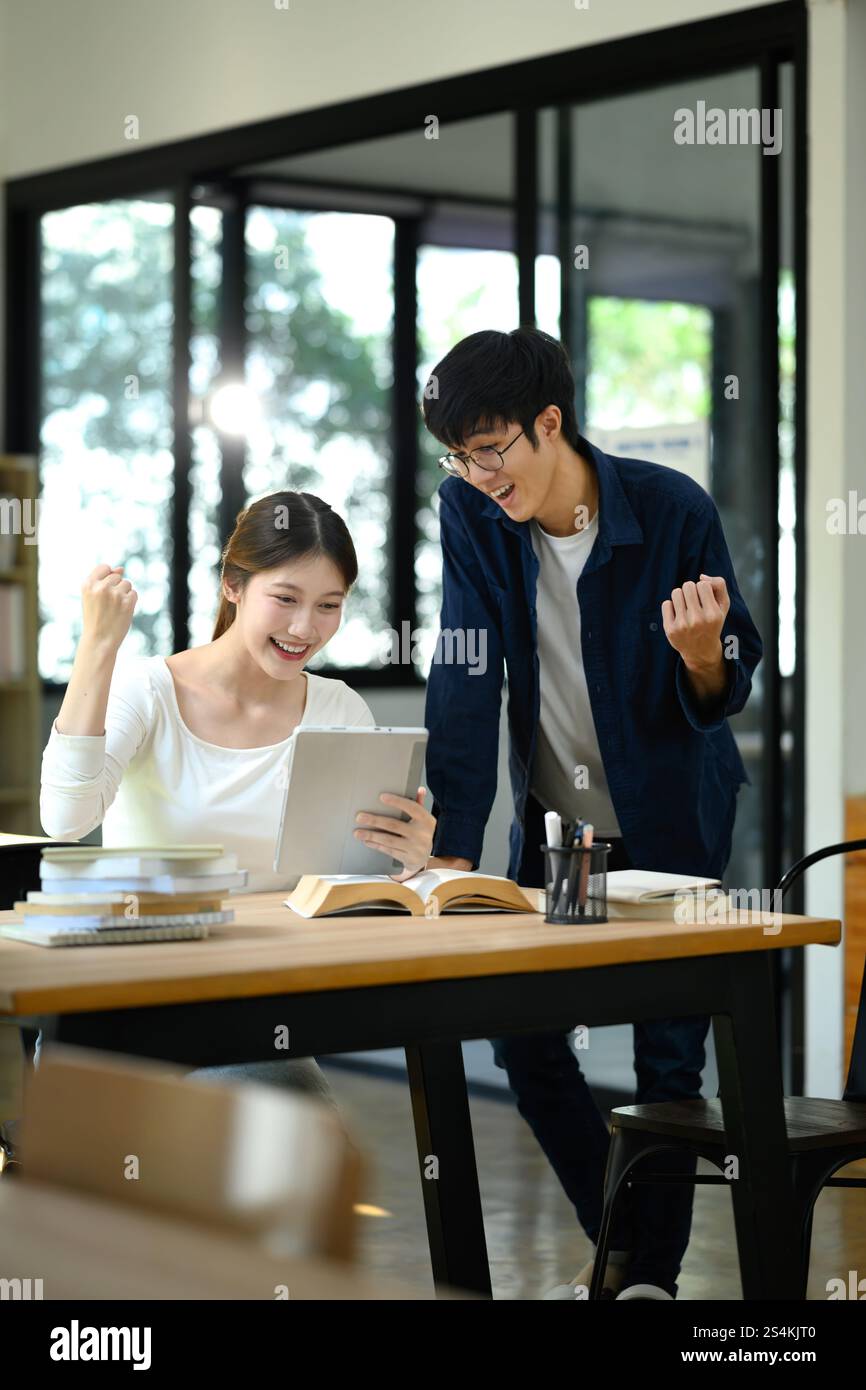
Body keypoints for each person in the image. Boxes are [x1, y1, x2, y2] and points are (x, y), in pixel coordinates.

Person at [421, 326, 762, 1301]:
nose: (476, 473)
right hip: (568, 839)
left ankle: (640, 1279)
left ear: (549, 422)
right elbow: (462, 673)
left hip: (670, 827)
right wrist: (451, 850)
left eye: (489, 449)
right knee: (524, 1037)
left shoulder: (665, 508)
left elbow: (724, 680)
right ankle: (619, 1241)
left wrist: (700, 652)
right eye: (457, 454)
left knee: (666, 1058)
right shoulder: (468, 512)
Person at [38, 490, 436, 1101]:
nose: (306, 628)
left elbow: (354, 882)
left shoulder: (338, 709)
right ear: (233, 585)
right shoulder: (147, 690)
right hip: (128, 1004)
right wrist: (97, 650)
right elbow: (64, 819)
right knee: (283, 1130)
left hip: (257, 1016)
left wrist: (406, 859)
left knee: (296, 1137)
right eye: (285, 599)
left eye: (329, 606)